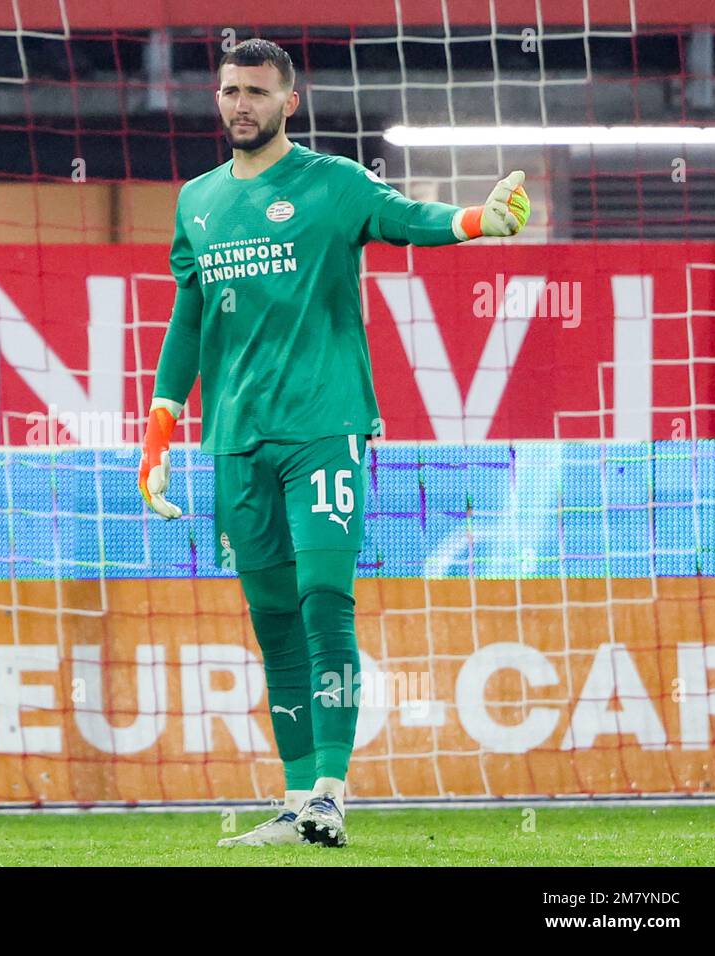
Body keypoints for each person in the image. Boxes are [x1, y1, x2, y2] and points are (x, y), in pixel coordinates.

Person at [137, 38, 530, 848]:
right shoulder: (197, 201)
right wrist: (163, 420)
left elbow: (405, 218)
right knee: (272, 616)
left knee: (323, 601)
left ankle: (329, 790)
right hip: (237, 440)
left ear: (291, 101)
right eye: (227, 90)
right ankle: (293, 802)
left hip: (324, 427)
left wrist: (477, 220)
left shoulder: (333, 184)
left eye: (254, 91)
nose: (237, 103)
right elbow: (190, 315)